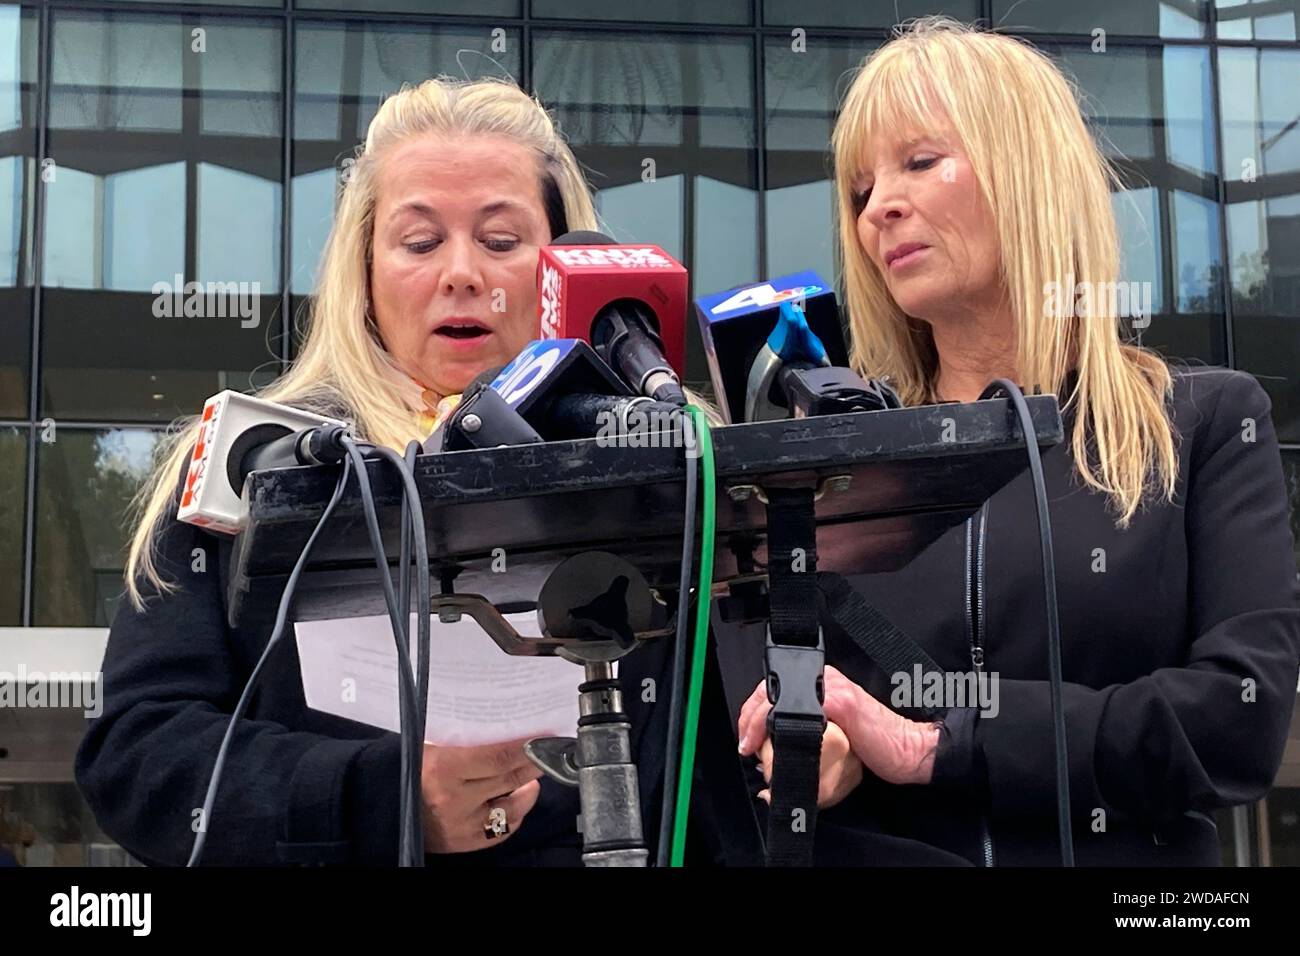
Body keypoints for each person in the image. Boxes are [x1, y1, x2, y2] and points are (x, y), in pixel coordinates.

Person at [75, 77, 714, 866]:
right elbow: (139, 756)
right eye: (419, 243)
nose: (461, 273)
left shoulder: (679, 458)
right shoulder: (254, 463)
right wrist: (385, 797)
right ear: (366, 273)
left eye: (502, 240)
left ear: (563, 266)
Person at [736, 18, 1300, 865]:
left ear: (1030, 172)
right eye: (859, 192)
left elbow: (1239, 718)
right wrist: (812, 741)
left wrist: (938, 749)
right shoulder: (828, 460)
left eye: (920, 162)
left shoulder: (1206, 421)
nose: (879, 208)